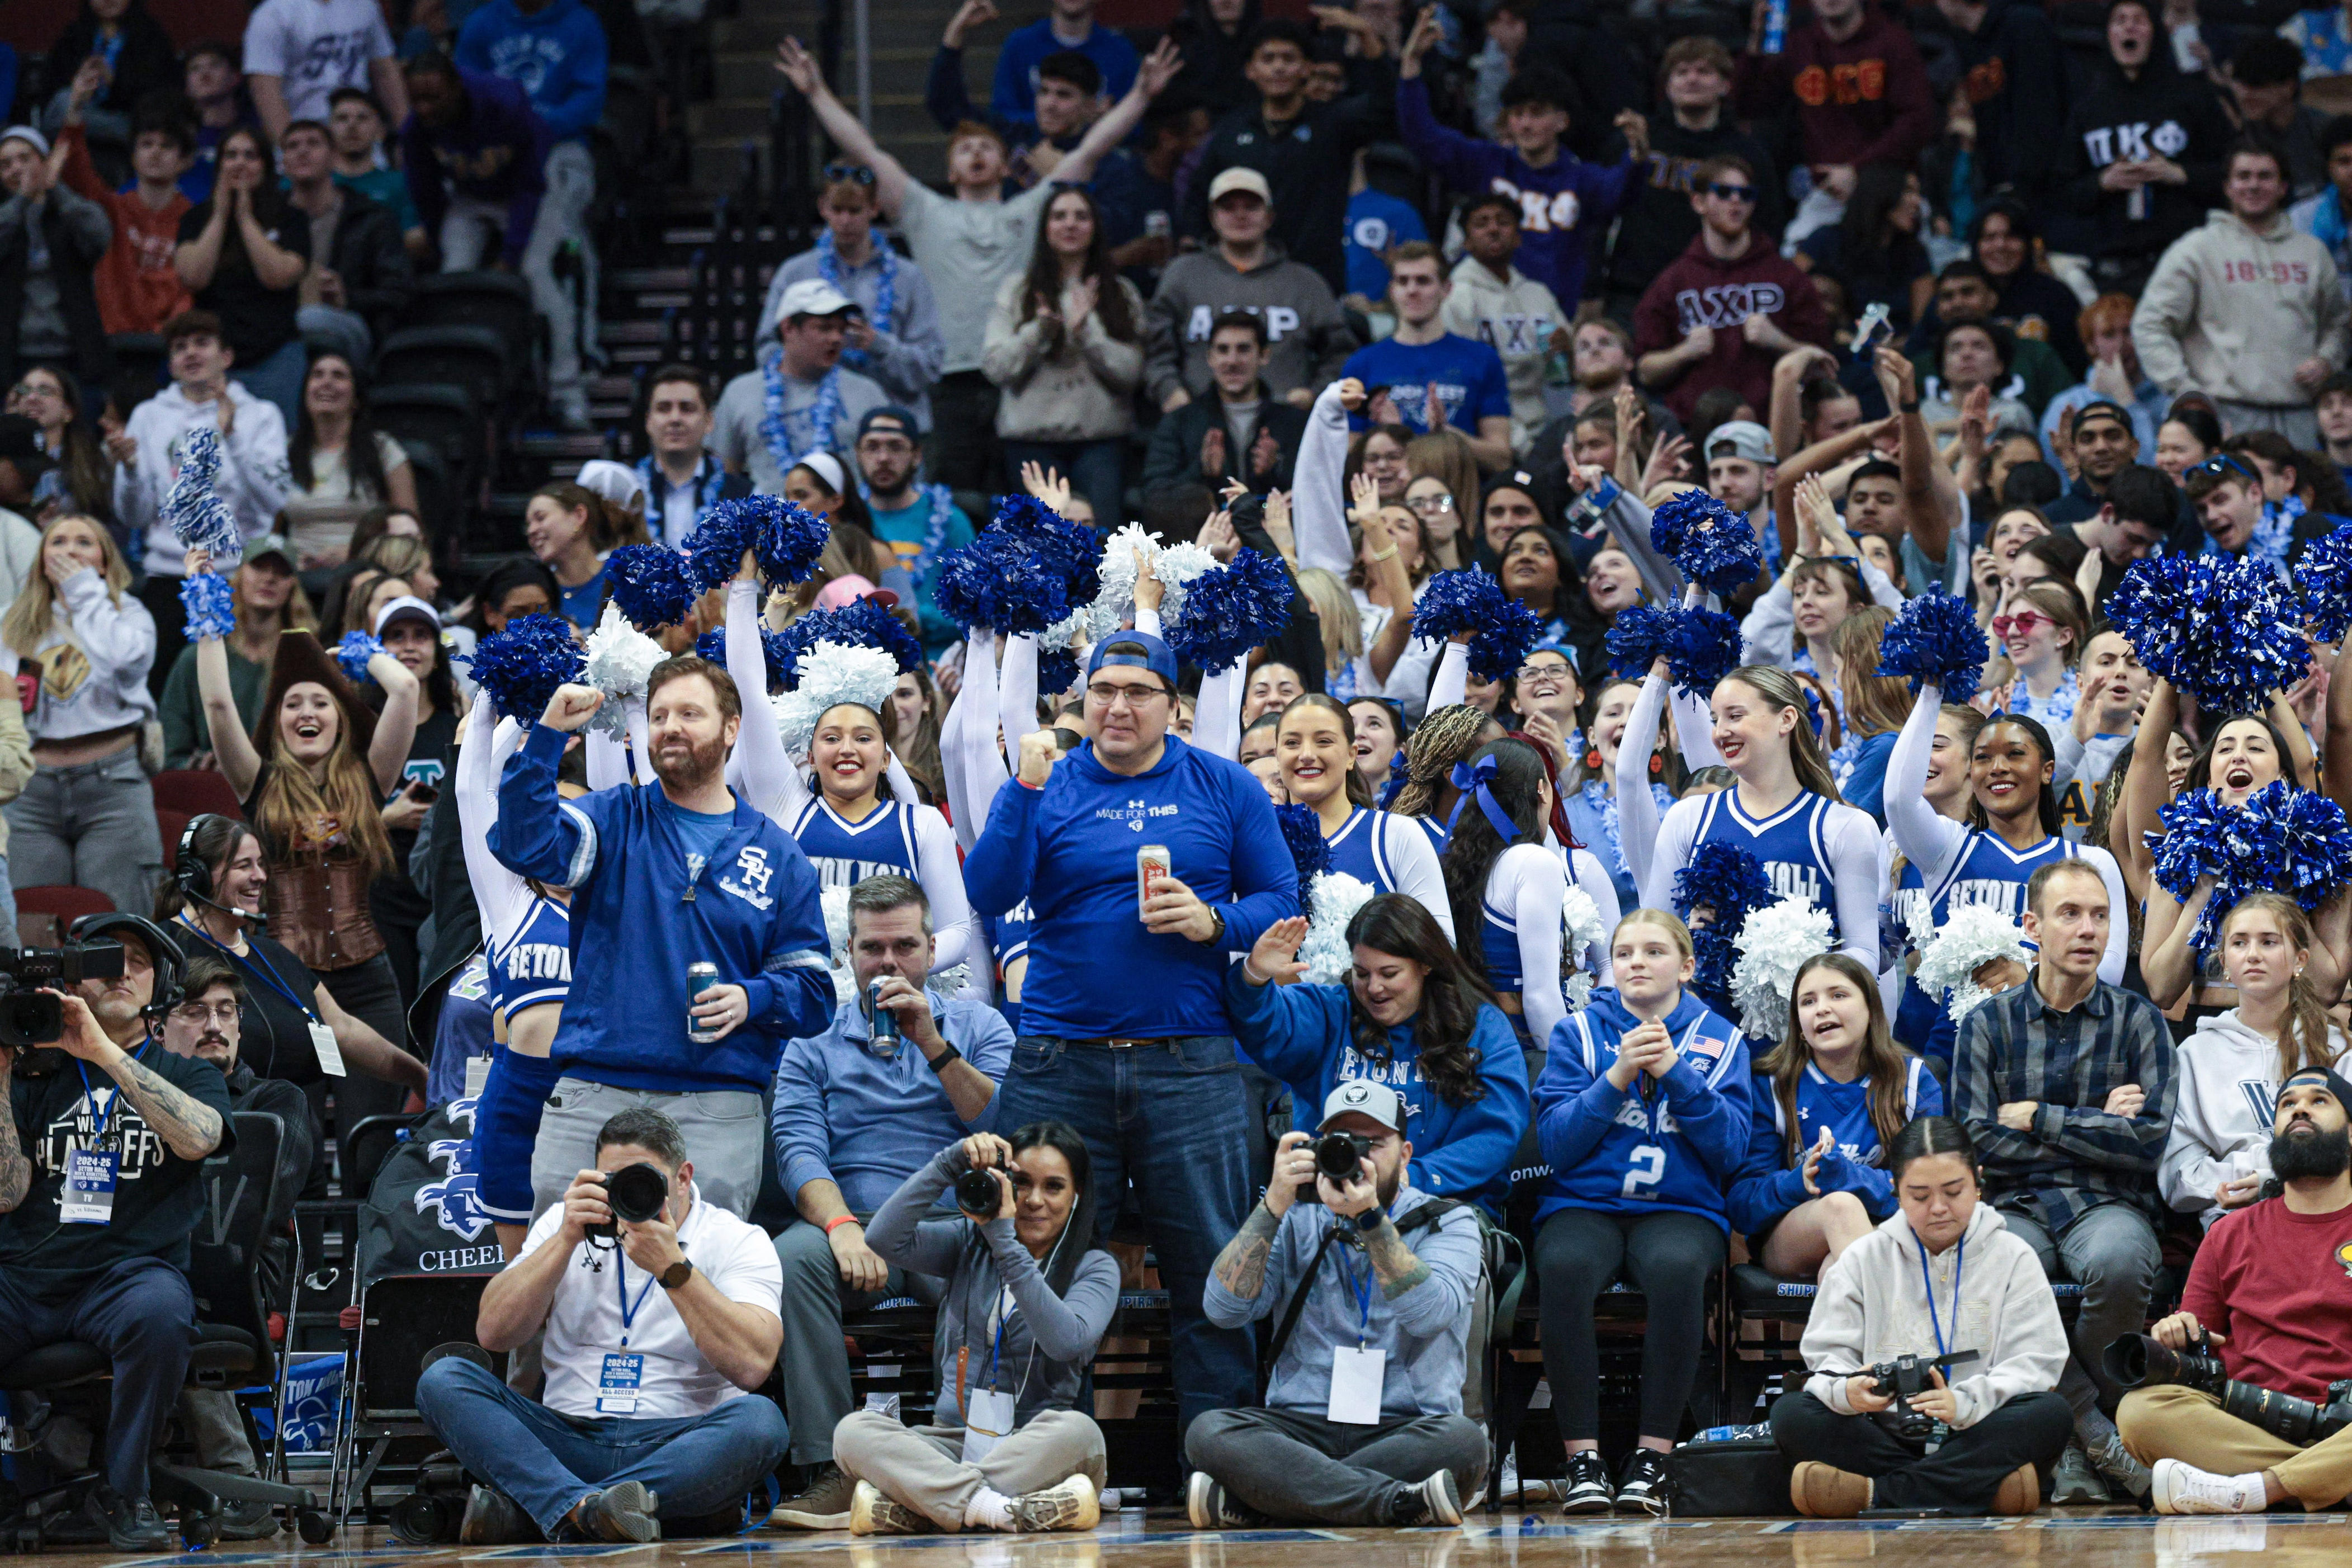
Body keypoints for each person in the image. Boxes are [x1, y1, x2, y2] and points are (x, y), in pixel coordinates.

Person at [963, 629, 1296, 1439]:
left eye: (1137, 692)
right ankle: (1045, 1457)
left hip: (1193, 1066)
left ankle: (1221, 1462)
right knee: (1039, 1265)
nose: (1116, 705)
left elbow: (1282, 901)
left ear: (1173, 709)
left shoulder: (1222, 787)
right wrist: (1022, 786)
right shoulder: (1048, 782)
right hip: (1057, 1062)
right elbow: (987, 888)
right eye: (1101, 690)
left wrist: (1213, 920)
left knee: (1213, 1271)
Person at [489, 659, 835, 1218]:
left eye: (690, 713)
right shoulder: (611, 817)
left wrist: (755, 997)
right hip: (591, 1093)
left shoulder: (778, 852)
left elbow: (816, 990)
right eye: (659, 715)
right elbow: (522, 844)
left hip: (718, 1102)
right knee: (566, 1273)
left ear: (730, 728)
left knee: (699, 1282)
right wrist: (549, 736)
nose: (670, 725)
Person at [772, 35, 1176, 497]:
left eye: (988, 148)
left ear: (1006, 167)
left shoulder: (1030, 211)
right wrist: (816, 92)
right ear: (950, 170)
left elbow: (1091, 152)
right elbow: (865, 152)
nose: (978, 154)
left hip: (1020, 377)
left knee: (1021, 516)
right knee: (954, 505)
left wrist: (1142, 95)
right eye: (966, 150)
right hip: (950, 382)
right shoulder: (923, 210)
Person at [417, 1107, 791, 1544]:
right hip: (566, 1435)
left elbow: (753, 1365)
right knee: (444, 1379)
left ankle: (552, 1510)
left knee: (761, 1423)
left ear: (684, 1178)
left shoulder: (736, 1239)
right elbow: (494, 1334)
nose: (629, 1195)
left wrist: (674, 1269)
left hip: (678, 1441)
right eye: (613, 1182)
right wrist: (563, 1241)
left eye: (646, 1181)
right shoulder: (564, 1223)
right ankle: (599, 1511)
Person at [762, 875, 1010, 1528]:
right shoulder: (811, 1039)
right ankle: (831, 1469)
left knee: (996, 1255)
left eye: (905, 945)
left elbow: (1009, 1126)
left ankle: (972, 1461)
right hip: (855, 1226)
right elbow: (798, 1151)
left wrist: (932, 1040)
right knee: (792, 1256)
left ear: (932, 950)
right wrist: (840, 1224)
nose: (890, 963)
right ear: (849, 952)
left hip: (949, 1224)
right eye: (874, 948)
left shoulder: (979, 1024)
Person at [0, 913, 230, 1550]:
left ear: (158, 985)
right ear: (75, 979)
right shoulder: (30, 1076)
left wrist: (100, 1049)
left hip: (128, 1277)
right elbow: (5, 1193)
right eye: (104, 959)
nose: (121, 970)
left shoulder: (189, 1072)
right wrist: (0, 1069)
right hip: (24, 1277)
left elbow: (199, 1138)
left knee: (161, 1311)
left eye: (136, 960)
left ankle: (126, 1491)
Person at [1953, 857, 2175, 1503]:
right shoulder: (1987, 1025)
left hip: (2110, 1201)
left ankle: (2077, 1435)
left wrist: (2041, 1118)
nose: (2088, 929)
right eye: (2070, 913)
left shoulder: (2139, 1020)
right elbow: (1974, 1141)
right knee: (2006, 1265)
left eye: (2101, 915)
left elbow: (2150, 1139)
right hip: (2015, 1201)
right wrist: (2097, 1122)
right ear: (2033, 925)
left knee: (2120, 1260)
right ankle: (2093, 1437)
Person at [1184, 1080, 1487, 1527]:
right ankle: (1395, 1503)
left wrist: (1369, 1219)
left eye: (1372, 1144)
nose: (1355, 1158)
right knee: (1208, 1431)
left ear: (1405, 1155)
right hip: (1301, 1428)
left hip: (1405, 1427)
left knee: (1463, 1442)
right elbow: (1223, 1310)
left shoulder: (1449, 1221)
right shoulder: (1296, 1217)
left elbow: (1429, 1315)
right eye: (1341, 1142)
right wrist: (1273, 1204)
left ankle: (1267, 1501)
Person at [1531, 908, 1751, 1513]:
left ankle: (1654, 1455)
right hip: (1586, 1202)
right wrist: (1618, 1075)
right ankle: (1583, 1458)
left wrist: (1678, 1075)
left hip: (1683, 1207)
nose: (1636, 962)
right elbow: (1556, 1145)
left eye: (1654, 951)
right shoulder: (1577, 1033)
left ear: (1686, 966)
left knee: (1678, 1266)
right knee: (1566, 1264)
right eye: (1625, 952)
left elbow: (1733, 1148)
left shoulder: (1721, 1038)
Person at [1770, 1116, 2074, 1517]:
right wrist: (1849, 1392)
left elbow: (2036, 1364)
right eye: (1919, 1195)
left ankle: (1874, 1495)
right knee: (1791, 1414)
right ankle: (1978, 1490)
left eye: (1954, 1191)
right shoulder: (1864, 1258)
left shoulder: (2013, 1255)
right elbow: (1827, 1361)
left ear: (1978, 1182)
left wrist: (1963, 1403)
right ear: (1896, 1191)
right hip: (1884, 1434)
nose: (1939, 1209)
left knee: (2050, 1415)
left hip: (1974, 1429)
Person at [2117, 1066, 2352, 1513]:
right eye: (2287, 1104)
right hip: (2249, 1421)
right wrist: (2176, 1334)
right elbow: (2197, 1347)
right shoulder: (2229, 1233)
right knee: (2139, 1412)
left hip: (2346, 1422)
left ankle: (2257, 1491)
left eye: (2320, 1101)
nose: (2300, 1107)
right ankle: (2325, 1480)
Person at [1232, 891, 1528, 1219]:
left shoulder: (1480, 1027)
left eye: (1389, 974)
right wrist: (1255, 976)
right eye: (1362, 974)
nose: (1373, 988)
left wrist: (1407, 1179)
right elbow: (1264, 1025)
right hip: (1331, 1203)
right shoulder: (1332, 1013)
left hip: (1442, 1207)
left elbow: (1494, 1136)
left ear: (1426, 965)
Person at [154, 948, 318, 1539]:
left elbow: (256, 1206)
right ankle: (65, 1467)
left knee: (172, 1284)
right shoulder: (133, 1097)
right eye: (196, 1011)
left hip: (237, 1272)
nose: (216, 1025)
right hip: (145, 1267)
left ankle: (231, 1471)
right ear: (160, 1026)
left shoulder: (276, 1101)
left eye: (226, 1011)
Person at [1623, 663, 1881, 971]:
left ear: (1786, 719)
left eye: (1735, 716)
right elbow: (1655, 938)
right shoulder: (1688, 817)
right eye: (1715, 720)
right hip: (1708, 1016)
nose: (1720, 733)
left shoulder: (1846, 827)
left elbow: (1866, 953)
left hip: (1803, 1014)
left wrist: (1786, 966)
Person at [1398, 20, 1636, 317]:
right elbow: (1423, 136)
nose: (1524, 124)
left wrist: (1637, 156)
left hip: (1550, 320)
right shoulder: (1487, 162)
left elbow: (1622, 191)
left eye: (1536, 114)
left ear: (1562, 121)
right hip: (1481, 312)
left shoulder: (1582, 179)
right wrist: (1411, 66)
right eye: (1517, 114)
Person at [1731, 952, 1942, 1279]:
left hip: (1886, 1231)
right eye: (1808, 1001)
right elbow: (1743, 1205)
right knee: (1841, 1207)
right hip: (1793, 1235)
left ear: (1872, 1009)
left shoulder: (1913, 1080)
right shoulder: (1771, 1084)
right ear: (1799, 1025)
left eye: (1838, 995)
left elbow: (1930, 1191)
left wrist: (1848, 1177)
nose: (1822, 1009)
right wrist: (1799, 1181)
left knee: (1837, 1270)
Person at [2134, 142, 2349, 447]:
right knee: (2225, 493)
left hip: (2304, 419)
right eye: (2243, 176)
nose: (2253, 185)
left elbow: (2338, 323)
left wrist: (2327, 360)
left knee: (2300, 496)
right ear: (2227, 187)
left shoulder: (2312, 252)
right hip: (2227, 418)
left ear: (2283, 187)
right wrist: (2185, 390)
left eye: (2265, 176)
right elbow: (2150, 324)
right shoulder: (2196, 249)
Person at [0, 513, 160, 918]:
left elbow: (126, 658)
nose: (69, 550)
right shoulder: (9, 619)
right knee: (30, 924)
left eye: (84, 543)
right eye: (58, 542)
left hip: (114, 787)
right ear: (40, 559)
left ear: (105, 561)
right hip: (31, 791)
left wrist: (85, 592)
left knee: (122, 924)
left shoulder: (132, 614)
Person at [454, 0, 607, 426]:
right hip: (496, 151)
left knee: (554, 245)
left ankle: (581, 355)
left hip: (561, 147)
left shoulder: (581, 23)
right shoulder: (483, 22)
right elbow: (459, 91)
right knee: (456, 260)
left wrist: (530, 126)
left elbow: (590, 101)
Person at [2160, 895, 2345, 1228]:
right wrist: (2252, 1177)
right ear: (2225, 963)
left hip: (2330, 1215)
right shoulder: (2194, 1055)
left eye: (2269, 942)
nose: (2254, 955)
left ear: (2300, 960)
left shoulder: (2338, 1049)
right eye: (2240, 943)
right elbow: (2178, 1177)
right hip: (2237, 1221)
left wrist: (2271, 1180)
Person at [116, 311, 290, 663]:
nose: (191, 353)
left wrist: (233, 436)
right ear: (171, 363)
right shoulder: (148, 416)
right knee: (167, 697)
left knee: (234, 694)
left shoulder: (261, 414)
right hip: (168, 576)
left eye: (202, 343)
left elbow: (276, 500)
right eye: (180, 347)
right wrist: (132, 471)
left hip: (238, 578)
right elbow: (134, 517)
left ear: (226, 356)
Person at [1182, 18, 1394, 295]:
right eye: (1268, 59)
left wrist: (1367, 35)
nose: (1279, 67)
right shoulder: (1230, 132)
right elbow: (1200, 195)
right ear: (1251, 70)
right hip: (1240, 280)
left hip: (1316, 280)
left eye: (1289, 58)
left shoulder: (1334, 124)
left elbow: (1387, 105)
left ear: (1307, 68)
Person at [980, 187, 1146, 527]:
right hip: (1030, 444)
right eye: (1059, 216)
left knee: (1103, 550)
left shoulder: (1121, 293)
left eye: (1081, 216)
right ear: (1045, 228)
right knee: (1036, 553)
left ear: (1095, 228)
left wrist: (1088, 332)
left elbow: (1132, 373)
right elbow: (996, 367)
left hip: (1101, 444)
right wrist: (1039, 331)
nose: (1070, 224)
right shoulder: (1017, 289)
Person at [1634, 156, 1834, 426]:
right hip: (1694, 430)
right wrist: (1684, 352)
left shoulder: (1786, 277)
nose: (1736, 201)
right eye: (1725, 192)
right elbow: (1645, 371)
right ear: (1699, 202)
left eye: (1746, 194)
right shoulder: (1673, 281)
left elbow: (1824, 365)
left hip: (1772, 427)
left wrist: (1779, 342)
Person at [2053, 0, 2234, 296]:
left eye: (2140, 19)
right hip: (2114, 269)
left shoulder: (2193, 97)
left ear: (2156, 33)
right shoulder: (2088, 109)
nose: (2129, 27)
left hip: (2186, 260)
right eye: (2119, 20)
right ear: (2107, 34)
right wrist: (2101, 182)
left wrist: (2180, 174)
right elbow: (2061, 190)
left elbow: (2234, 173)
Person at [1145, 167, 1356, 414]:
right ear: (1213, 218)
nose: (1240, 215)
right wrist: (1170, 392)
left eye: (1251, 207)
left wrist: (1315, 394)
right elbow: (1154, 349)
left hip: (1284, 423)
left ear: (1269, 216)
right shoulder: (1181, 275)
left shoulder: (1305, 282)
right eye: (1229, 207)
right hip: (1199, 421)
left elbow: (1342, 352)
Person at [1731, 0, 1937, 248]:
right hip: (1827, 192)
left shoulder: (1893, 42)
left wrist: (1856, 169)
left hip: (1890, 189)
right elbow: (1748, 108)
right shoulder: (1800, 45)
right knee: (1796, 268)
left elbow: (1917, 121)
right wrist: (1755, 47)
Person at [1604, 37, 1783, 319]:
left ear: (1726, 85)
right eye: (1682, 72)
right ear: (1667, 85)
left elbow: (1768, 225)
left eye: (1704, 72)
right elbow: (1602, 211)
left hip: (1717, 294)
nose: (1692, 80)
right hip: (1635, 287)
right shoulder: (1637, 141)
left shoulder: (1749, 153)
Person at [763, 168, 946, 432]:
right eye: (837, 210)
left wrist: (880, 346)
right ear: (823, 208)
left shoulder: (908, 277)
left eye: (855, 211)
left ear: (874, 208)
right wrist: (810, 354)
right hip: (813, 424)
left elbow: (930, 366)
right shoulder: (796, 273)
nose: (845, 220)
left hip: (893, 425)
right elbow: (768, 350)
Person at [173, 124, 309, 427]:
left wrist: (245, 218)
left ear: (266, 165)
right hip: (213, 361)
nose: (240, 163)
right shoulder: (196, 218)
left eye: (251, 156)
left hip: (276, 357)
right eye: (231, 155)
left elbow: (278, 276)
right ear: (219, 164)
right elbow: (194, 276)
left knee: (275, 452)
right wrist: (221, 215)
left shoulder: (291, 218)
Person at [399, 55, 547, 321]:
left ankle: (566, 360)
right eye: (416, 101)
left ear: (457, 88)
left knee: (537, 270)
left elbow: (531, 183)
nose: (424, 109)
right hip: (470, 197)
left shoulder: (506, 104)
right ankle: (459, 353)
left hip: (528, 192)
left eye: (433, 98)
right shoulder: (415, 130)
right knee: (453, 275)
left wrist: (510, 256)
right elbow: (426, 193)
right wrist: (435, 240)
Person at [1341, 244, 1513, 470]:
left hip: (1458, 494)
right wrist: (1387, 436)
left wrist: (1447, 436)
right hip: (1389, 499)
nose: (1412, 290)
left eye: (1423, 281)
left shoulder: (1482, 359)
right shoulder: (1361, 364)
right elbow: (1345, 455)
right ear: (1392, 290)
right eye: (1403, 281)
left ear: (1446, 289)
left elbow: (1501, 458)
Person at [712, 280, 893, 490]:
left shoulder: (868, 394)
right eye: (824, 328)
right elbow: (723, 475)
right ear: (788, 328)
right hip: (769, 521)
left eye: (841, 330)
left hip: (846, 521)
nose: (836, 338)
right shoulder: (740, 393)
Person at [56, 69, 193, 339]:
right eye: (146, 144)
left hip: (172, 345)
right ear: (132, 158)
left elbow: (195, 289)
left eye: (166, 146)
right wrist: (74, 110)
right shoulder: (111, 209)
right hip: (114, 343)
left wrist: (173, 329)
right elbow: (75, 173)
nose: (155, 152)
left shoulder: (196, 218)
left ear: (185, 161)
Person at [157, 537, 308, 768]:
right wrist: (197, 765)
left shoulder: (304, 659)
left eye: (282, 572)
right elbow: (172, 751)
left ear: (293, 585)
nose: (269, 578)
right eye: (259, 567)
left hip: (283, 786)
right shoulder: (196, 658)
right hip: (210, 790)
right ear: (239, 575)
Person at [1441, 193, 1570, 456]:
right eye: (1481, 223)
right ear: (1466, 241)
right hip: (1484, 426)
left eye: (1503, 222)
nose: (1493, 229)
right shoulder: (1455, 295)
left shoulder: (1538, 294)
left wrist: (1565, 348)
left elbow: (1562, 372)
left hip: (1542, 417)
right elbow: (1458, 377)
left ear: (1518, 235)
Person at [278, 119, 412, 366]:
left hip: (349, 321)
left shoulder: (371, 217)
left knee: (305, 319)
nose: (303, 151)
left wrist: (347, 297)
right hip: (280, 321)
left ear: (334, 157)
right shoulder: (267, 219)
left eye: (313, 144)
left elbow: (398, 292)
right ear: (283, 163)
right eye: (292, 146)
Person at [0, 125, 114, 404]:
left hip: (74, 354)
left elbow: (100, 236)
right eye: (6, 165)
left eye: (25, 159)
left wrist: (56, 189)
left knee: (77, 434)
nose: (17, 169)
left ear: (45, 161)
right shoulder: (6, 216)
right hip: (13, 358)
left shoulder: (69, 209)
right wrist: (22, 200)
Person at [850, 408, 974, 659]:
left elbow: (973, 611)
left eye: (896, 447)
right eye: (872, 447)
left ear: (916, 455)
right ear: (858, 455)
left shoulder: (951, 520)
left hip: (940, 666)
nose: (883, 458)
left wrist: (912, 617)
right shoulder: (847, 523)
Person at [1144, 309, 1310, 493]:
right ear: (1210, 358)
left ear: (1264, 356)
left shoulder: (1294, 424)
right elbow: (1155, 495)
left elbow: (1313, 491)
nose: (1232, 361)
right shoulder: (1178, 423)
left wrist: (1273, 472)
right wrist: (1202, 472)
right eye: (1223, 350)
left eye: (1244, 349)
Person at [282, 352, 414, 570]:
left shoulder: (383, 449)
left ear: (356, 399)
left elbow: (409, 530)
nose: (326, 383)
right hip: (297, 576)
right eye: (317, 375)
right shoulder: (285, 452)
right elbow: (270, 530)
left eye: (339, 376)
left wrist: (356, 551)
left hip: (365, 571)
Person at [242, 0, 406, 141]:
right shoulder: (273, 14)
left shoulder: (365, 5)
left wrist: (407, 135)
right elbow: (265, 90)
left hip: (359, 128)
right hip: (306, 129)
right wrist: (290, 146)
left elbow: (385, 72)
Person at [633, 365, 752, 548]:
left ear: (709, 421)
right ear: (648, 421)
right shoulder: (626, 494)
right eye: (664, 409)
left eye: (687, 409)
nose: (675, 419)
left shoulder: (745, 496)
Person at [327, 88, 426, 262]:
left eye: (362, 118)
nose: (352, 125)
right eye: (342, 118)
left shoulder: (400, 183)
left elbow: (416, 238)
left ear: (380, 130)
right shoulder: (312, 183)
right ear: (329, 130)